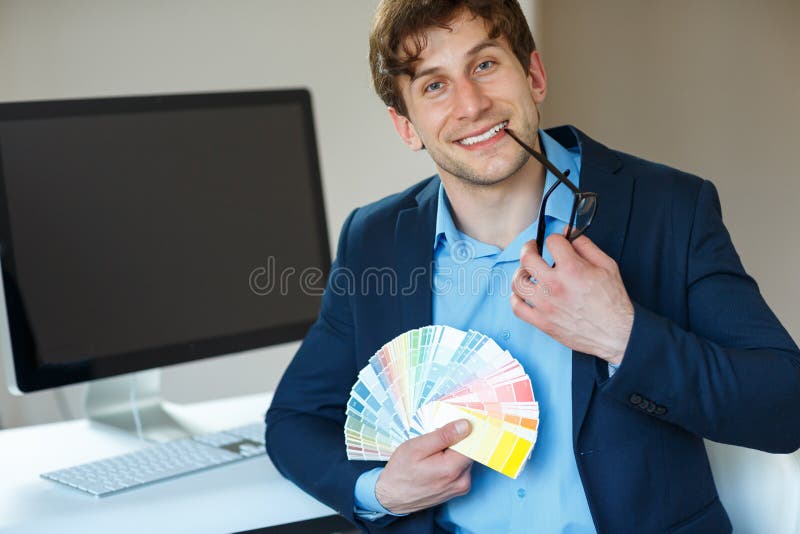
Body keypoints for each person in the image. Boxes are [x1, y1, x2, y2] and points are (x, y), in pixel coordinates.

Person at [265, 1, 800, 532]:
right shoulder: (373, 239)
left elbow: (785, 404)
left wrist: (623, 336)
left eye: (484, 65)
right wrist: (380, 492)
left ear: (534, 75)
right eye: (434, 85)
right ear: (406, 127)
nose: (471, 104)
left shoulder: (670, 207)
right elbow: (293, 421)